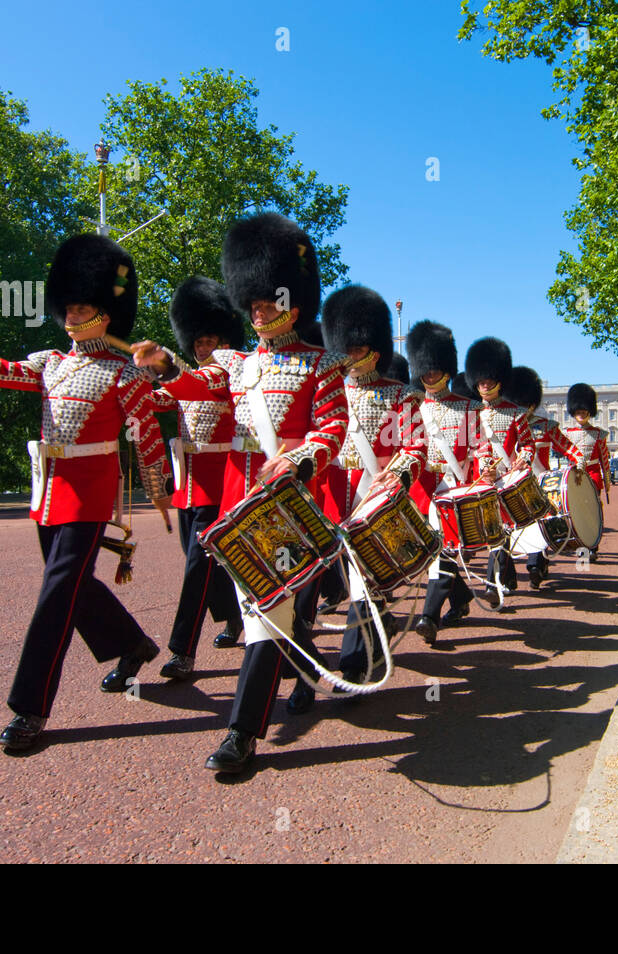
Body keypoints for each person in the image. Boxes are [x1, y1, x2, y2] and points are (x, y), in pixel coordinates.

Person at [0, 234, 172, 752]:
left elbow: (145, 433)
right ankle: (133, 643)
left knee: (55, 596)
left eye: (84, 307)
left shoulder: (125, 373)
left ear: (106, 314)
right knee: (73, 586)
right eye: (68, 307)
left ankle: (29, 708)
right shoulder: (50, 362)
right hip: (49, 491)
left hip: (93, 493)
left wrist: (160, 490)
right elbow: (1, 371)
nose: (72, 316)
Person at [202, 213, 349, 775]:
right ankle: (308, 666)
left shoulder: (323, 365)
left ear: (294, 302)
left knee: (266, 611)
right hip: (237, 502)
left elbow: (331, 428)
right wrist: (162, 370)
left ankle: (242, 733)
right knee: (256, 609)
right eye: (253, 303)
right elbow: (192, 385)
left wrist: (303, 458)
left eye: (267, 301)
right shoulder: (234, 364)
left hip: (290, 503)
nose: (258, 311)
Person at [131, 277, 241, 681]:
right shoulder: (189, 375)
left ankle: (182, 651)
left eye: (211, 341)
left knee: (197, 568)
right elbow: (163, 398)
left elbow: (191, 386)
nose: (203, 348)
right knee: (207, 564)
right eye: (198, 342)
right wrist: (134, 381)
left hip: (220, 486)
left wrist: (163, 370)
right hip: (190, 489)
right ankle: (234, 617)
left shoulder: (226, 376)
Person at [319, 285, 425, 687]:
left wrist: (395, 473)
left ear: (374, 351)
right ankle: (375, 640)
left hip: (375, 496)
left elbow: (415, 447)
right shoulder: (329, 390)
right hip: (333, 496)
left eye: (356, 349)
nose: (348, 356)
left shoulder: (401, 396)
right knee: (348, 580)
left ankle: (353, 665)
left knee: (365, 580)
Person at [409, 321, 486, 646]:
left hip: (453, 487)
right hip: (420, 488)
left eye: (435, 369)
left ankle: (429, 616)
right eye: (425, 370)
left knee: (444, 550)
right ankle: (460, 597)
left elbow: (482, 449)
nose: (429, 376)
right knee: (430, 551)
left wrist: (487, 473)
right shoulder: (411, 407)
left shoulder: (469, 407)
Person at [466, 337, 535, 608]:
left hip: (505, 478)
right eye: (481, 380)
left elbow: (527, 444)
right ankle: (507, 578)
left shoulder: (515, 413)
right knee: (490, 533)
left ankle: (492, 586)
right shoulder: (469, 412)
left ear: (499, 380)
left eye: (489, 379)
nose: (484, 384)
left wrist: (522, 460)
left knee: (500, 533)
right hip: (480, 481)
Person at [502, 366, 583, 588]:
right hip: (511, 484)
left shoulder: (546, 427)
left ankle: (535, 566)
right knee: (507, 530)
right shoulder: (505, 424)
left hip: (539, 483)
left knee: (537, 526)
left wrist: (580, 464)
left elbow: (569, 448)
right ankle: (507, 576)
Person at [563, 383, 611, 558]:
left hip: (593, 474)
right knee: (575, 511)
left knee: (592, 509)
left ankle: (593, 545)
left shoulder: (599, 433)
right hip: (574, 474)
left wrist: (607, 479)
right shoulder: (567, 433)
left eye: (583, 412)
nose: (581, 415)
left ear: (589, 412)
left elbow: (604, 458)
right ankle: (581, 542)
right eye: (578, 412)